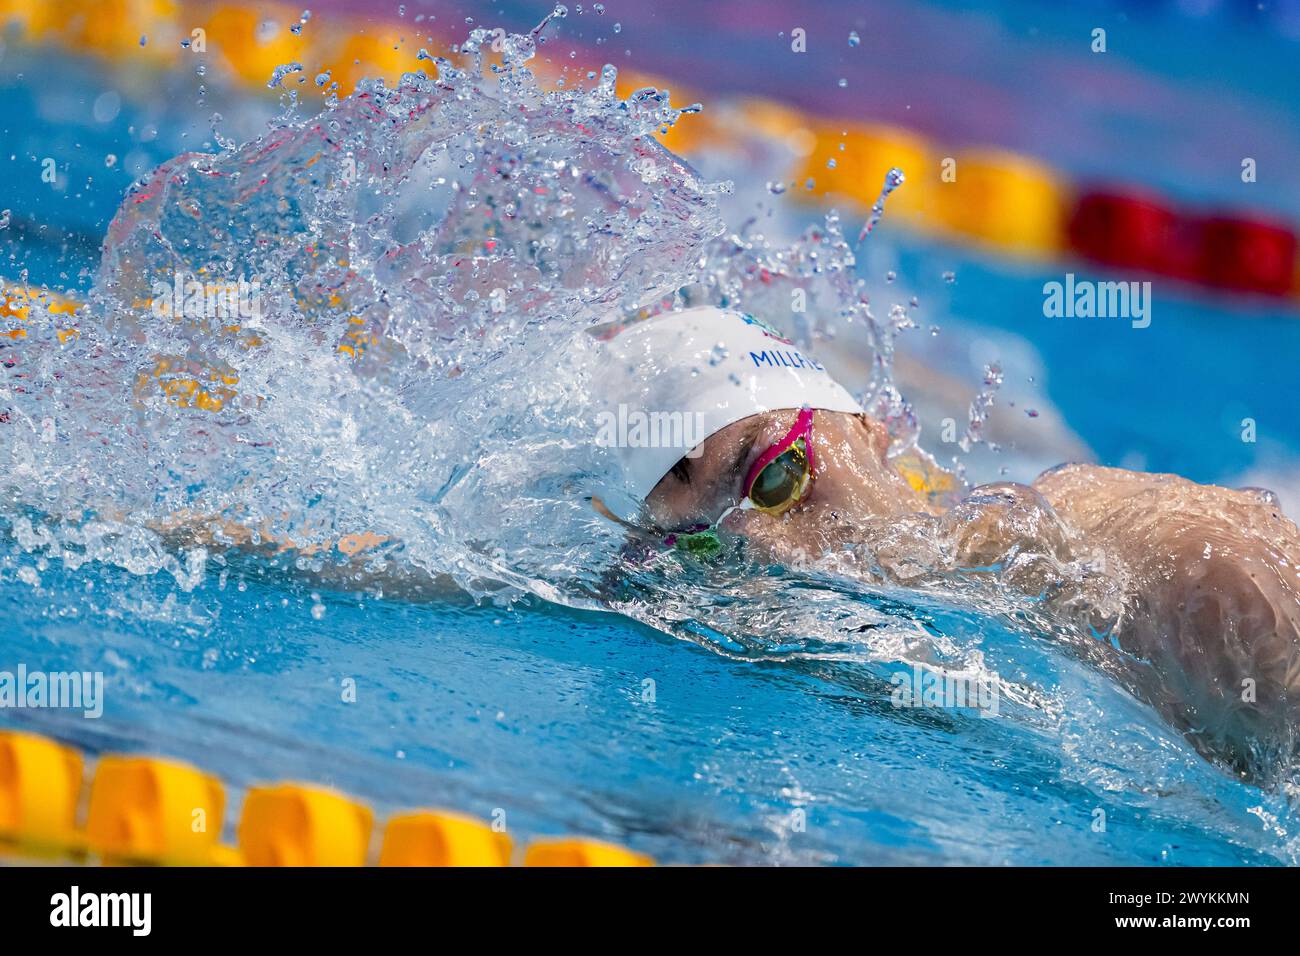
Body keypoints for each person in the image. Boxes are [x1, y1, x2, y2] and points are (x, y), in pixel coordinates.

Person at [591, 306, 1300, 782]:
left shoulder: (1179, 567)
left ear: (874, 427)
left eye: (778, 476)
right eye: (709, 547)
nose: (773, 556)